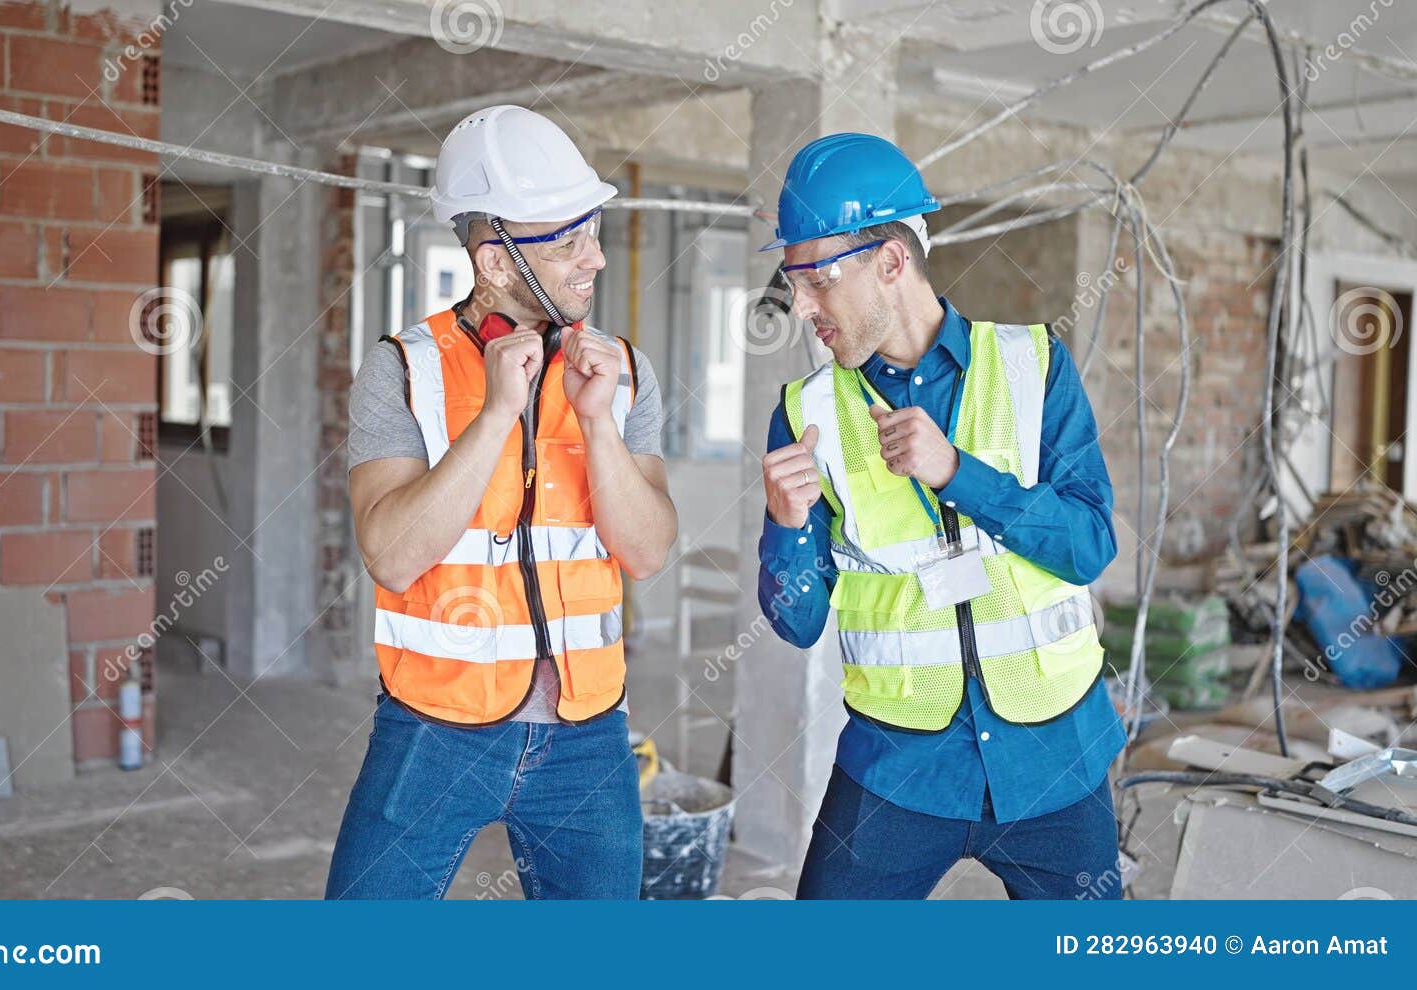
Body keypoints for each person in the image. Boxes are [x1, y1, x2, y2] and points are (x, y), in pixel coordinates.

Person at [756, 132, 1125, 900]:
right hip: (898, 769)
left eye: (816, 280)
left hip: (1054, 759)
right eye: (792, 283)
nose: (800, 308)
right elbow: (796, 625)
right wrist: (787, 525)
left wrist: (961, 475)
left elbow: (1089, 545)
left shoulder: (1035, 367)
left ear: (891, 263)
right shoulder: (807, 413)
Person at [324, 105, 677, 900]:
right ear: (493, 260)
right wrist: (491, 418)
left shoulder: (620, 372)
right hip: (432, 725)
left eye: (593, 230)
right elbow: (391, 551)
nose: (595, 259)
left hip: (589, 734)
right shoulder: (403, 371)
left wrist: (597, 423)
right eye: (567, 241)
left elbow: (648, 551)